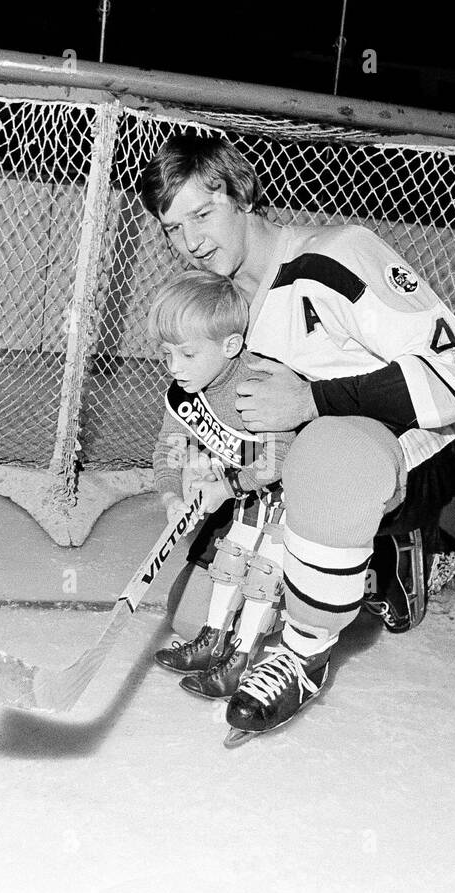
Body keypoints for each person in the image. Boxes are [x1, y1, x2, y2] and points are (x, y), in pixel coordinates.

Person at [140, 135, 455, 747]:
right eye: (172, 227)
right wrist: (194, 468)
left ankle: (307, 652)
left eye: (203, 213)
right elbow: (209, 414)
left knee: (325, 456)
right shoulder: (222, 301)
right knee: (193, 613)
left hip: (404, 453)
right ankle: (357, 553)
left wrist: (313, 400)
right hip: (276, 476)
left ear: (242, 194)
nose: (189, 242)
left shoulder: (335, 256)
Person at [147, 270, 295, 700]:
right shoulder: (187, 389)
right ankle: (212, 641)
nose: (174, 367)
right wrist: (172, 494)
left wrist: (229, 486)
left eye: (188, 354)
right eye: (167, 353)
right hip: (248, 493)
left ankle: (242, 657)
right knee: (229, 560)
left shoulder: (258, 387)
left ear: (230, 346)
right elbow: (168, 450)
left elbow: (278, 459)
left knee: (264, 572)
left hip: (294, 499)